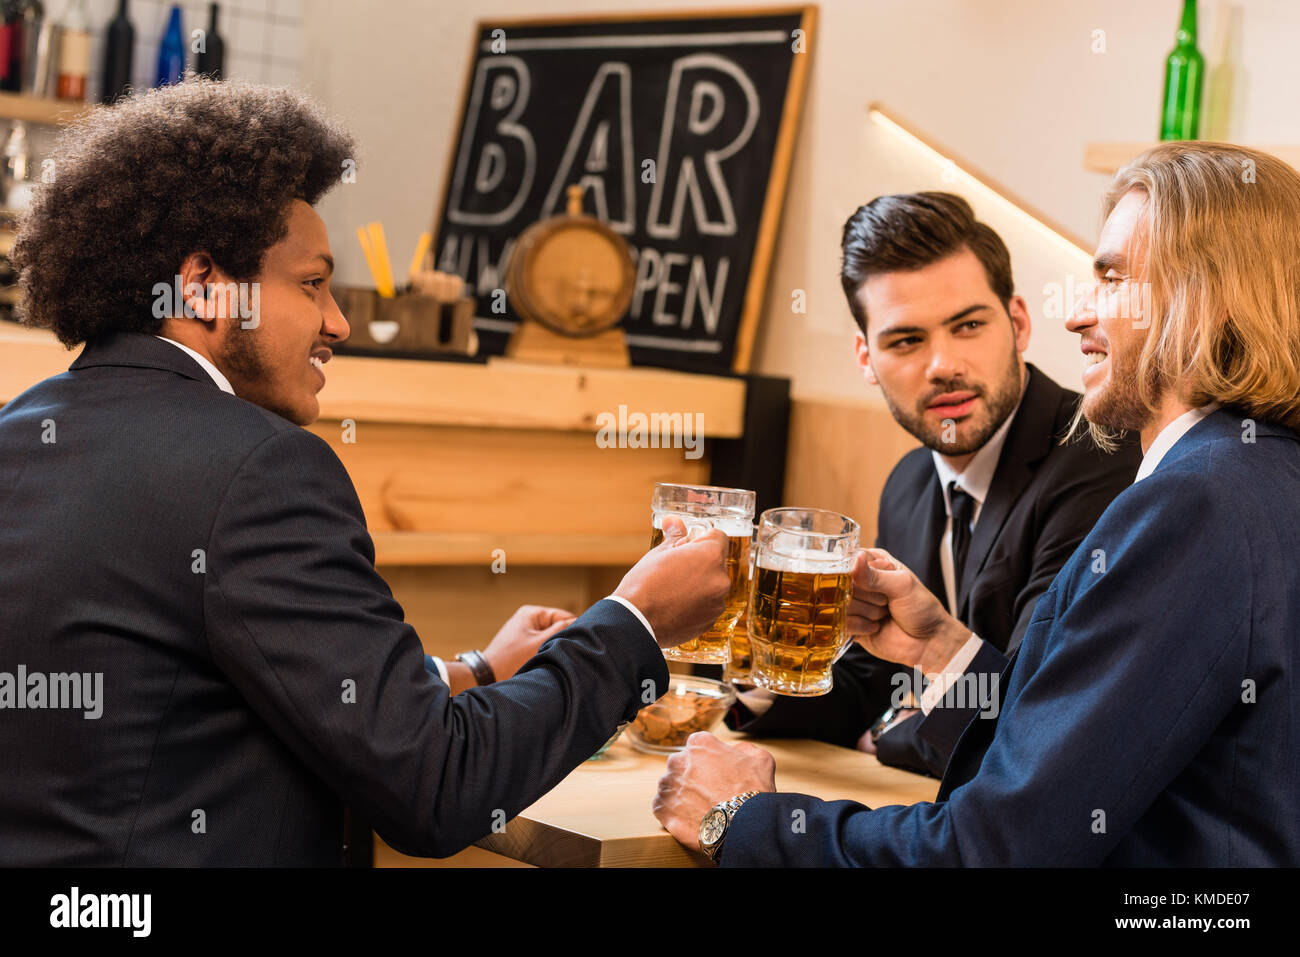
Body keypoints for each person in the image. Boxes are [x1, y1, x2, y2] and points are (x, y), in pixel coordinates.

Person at [0, 79, 730, 866]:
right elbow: (439, 787)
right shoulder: (259, 469)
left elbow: (183, 684)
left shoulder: (20, 429)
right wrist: (636, 621)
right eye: (312, 283)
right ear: (206, 287)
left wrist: (476, 671)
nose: (337, 321)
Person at [654, 141, 1300, 866]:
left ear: (1203, 294)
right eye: (905, 337)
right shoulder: (1256, 477)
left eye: (1110, 276)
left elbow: (996, 849)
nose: (1079, 315)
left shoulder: (1188, 504)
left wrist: (740, 820)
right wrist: (933, 648)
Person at [728, 192, 1140, 777]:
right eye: (906, 340)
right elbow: (877, 678)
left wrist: (891, 732)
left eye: (968, 325)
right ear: (866, 358)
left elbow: (1038, 724)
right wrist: (756, 665)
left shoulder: (1102, 458)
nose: (943, 364)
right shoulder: (909, 483)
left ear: (1018, 323)